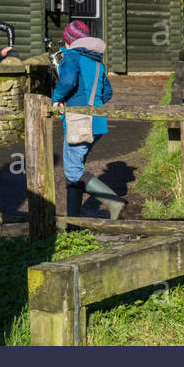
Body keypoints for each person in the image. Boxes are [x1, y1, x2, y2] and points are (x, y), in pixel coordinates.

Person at [51, 20, 124, 219]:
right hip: (98, 123)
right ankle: (73, 222)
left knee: (74, 171)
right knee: (75, 169)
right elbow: (107, 92)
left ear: (69, 41)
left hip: (80, 122)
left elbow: (67, 81)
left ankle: (114, 202)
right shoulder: (97, 62)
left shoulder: (71, 57)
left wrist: (57, 98)